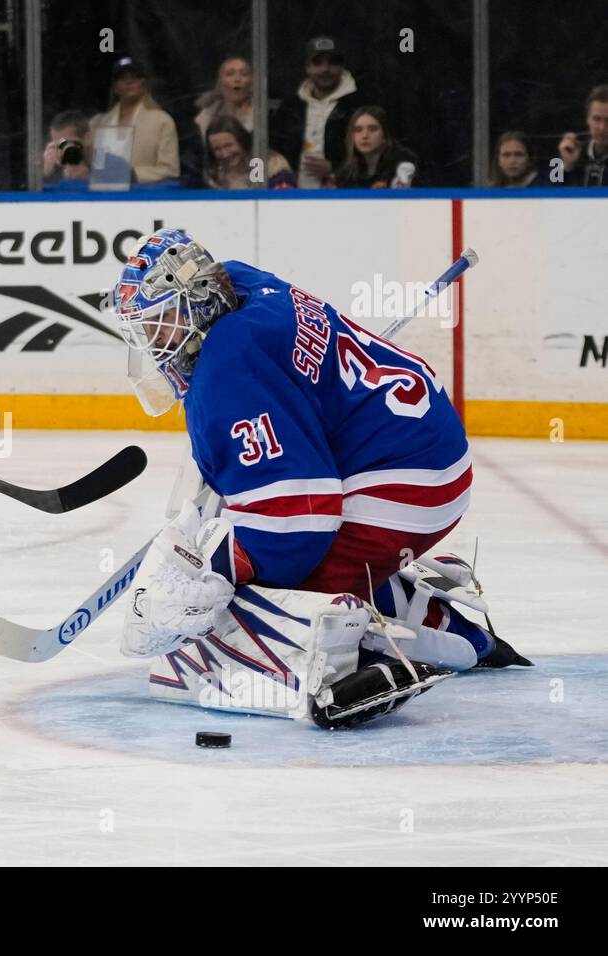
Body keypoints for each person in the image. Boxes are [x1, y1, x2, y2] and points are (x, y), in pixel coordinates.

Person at [107, 229, 529, 728]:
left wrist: (218, 567)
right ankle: (432, 617)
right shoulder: (241, 285)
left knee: (271, 588)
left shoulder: (226, 365)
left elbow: (300, 521)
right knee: (271, 549)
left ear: (199, 303)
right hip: (421, 447)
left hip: (404, 481)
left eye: (161, 324)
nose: (156, 345)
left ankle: (371, 655)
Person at [270, 36, 363, 189]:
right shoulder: (291, 107)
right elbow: (274, 148)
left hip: (343, 196)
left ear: (342, 67)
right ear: (307, 67)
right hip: (291, 197)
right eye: (318, 62)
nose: (325, 69)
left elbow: (372, 154)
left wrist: (336, 169)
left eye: (333, 62)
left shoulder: (357, 106)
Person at [90, 57, 180, 184]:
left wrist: (132, 174)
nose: (129, 82)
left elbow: (170, 170)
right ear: (115, 87)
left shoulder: (162, 121)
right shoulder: (97, 124)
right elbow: (91, 166)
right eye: (123, 78)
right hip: (105, 196)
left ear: (144, 84)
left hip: (144, 197)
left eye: (135, 77)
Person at [333, 106, 421, 188]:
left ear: (385, 135)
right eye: (358, 130)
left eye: (372, 129)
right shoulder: (345, 174)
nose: (364, 136)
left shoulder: (404, 165)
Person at [203, 115, 294, 190]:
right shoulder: (213, 174)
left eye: (228, 145)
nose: (225, 154)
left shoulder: (272, 165)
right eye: (217, 149)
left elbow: (284, 203)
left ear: (242, 141)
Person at [193, 56, 255, 141]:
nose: (237, 79)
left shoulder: (264, 115)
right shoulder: (205, 118)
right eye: (230, 74)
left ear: (251, 81)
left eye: (244, 74)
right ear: (220, 82)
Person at [557, 85, 608, 187]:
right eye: (597, 119)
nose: (602, 127)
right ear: (587, 119)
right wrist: (566, 167)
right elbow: (546, 193)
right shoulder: (568, 150)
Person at [42, 109, 92, 189]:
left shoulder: (110, 165)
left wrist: (89, 179)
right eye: (57, 146)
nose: (62, 152)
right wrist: (46, 172)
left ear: (87, 138)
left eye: (66, 144)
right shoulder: (55, 169)